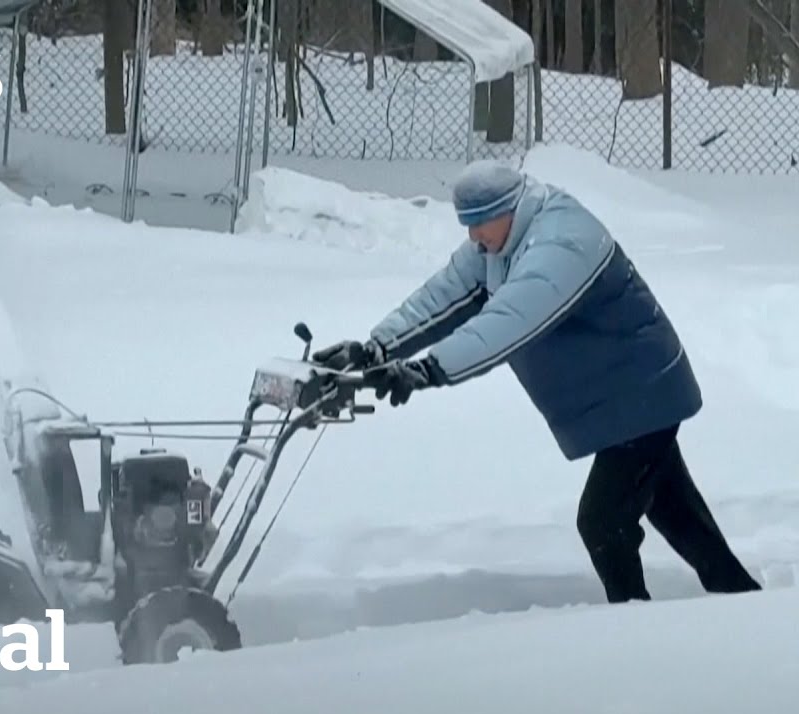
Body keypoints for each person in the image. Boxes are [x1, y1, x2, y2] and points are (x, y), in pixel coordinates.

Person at [313, 159, 761, 604]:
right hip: (622, 400)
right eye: (466, 227)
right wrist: (377, 348)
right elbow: (445, 294)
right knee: (676, 511)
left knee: (603, 522)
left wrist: (427, 370)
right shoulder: (503, 241)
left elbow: (508, 322)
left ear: (510, 208)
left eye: (478, 226)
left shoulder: (563, 243)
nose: (473, 239)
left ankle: (632, 628)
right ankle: (744, 603)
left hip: (642, 392)